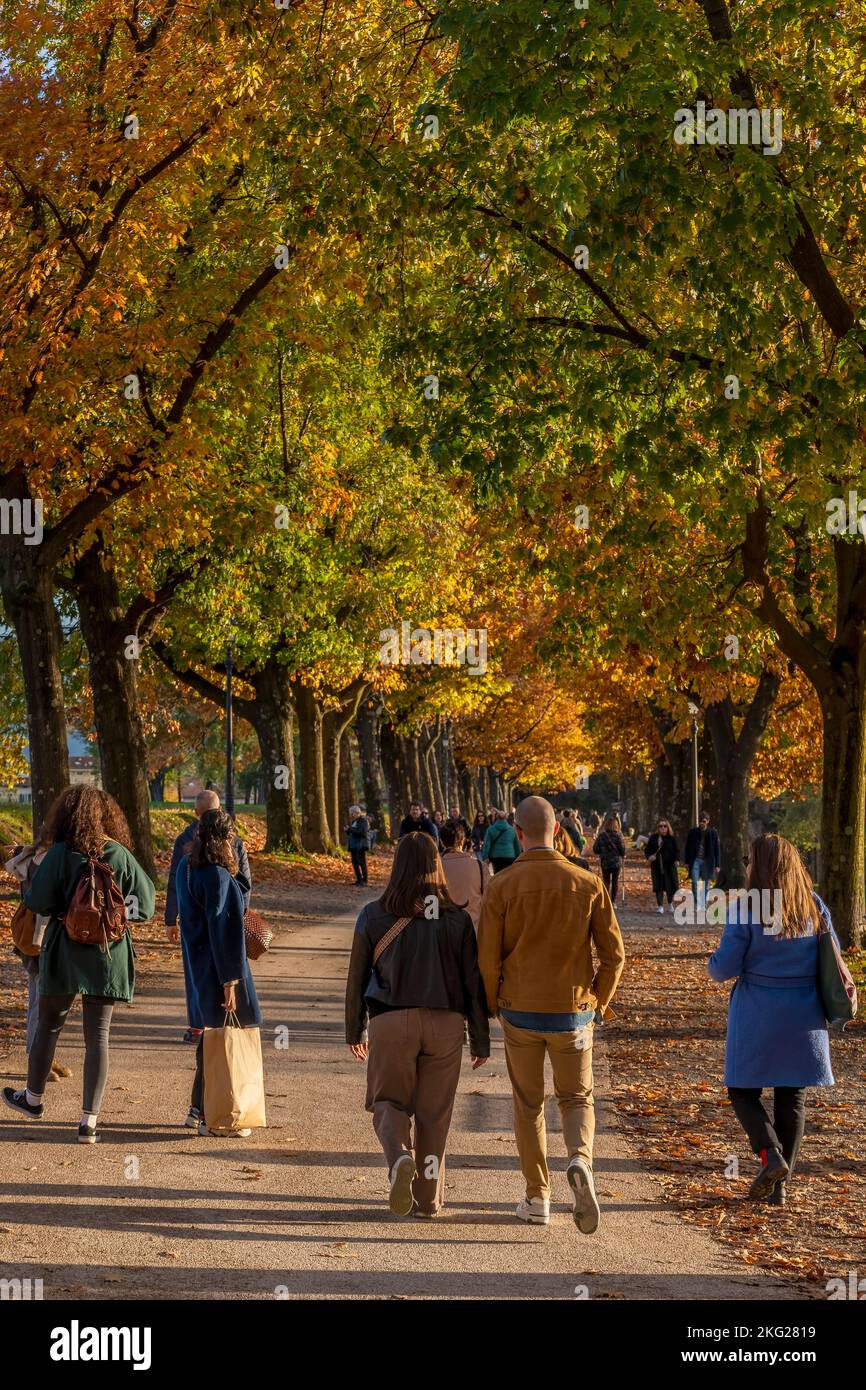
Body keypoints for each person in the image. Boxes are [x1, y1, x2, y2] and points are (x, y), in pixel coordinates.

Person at [478, 797, 625, 1231]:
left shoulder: (501, 886)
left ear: (517, 834)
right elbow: (614, 956)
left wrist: (494, 1002)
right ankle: (580, 1159)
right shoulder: (588, 883)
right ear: (558, 832)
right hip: (573, 1010)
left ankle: (537, 1195)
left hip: (520, 1010)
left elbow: (488, 960)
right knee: (577, 1097)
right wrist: (597, 1000)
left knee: (527, 1104)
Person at [345, 832, 490, 1218]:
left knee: (388, 1102)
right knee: (434, 1117)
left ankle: (398, 1158)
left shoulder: (373, 915)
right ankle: (428, 1200)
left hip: (390, 1022)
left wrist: (354, 1029)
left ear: (397, 866)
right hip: (445, 1024)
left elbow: (356, 978)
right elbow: (471, 981)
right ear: (436, 866)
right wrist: (480, 1038)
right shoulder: (456, 919)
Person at [2, 787, 155, 1143]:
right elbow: (144, 905)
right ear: (107, 815)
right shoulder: (119, 854)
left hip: (63, 952)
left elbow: (38, 901)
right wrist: (114, 915)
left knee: (49, 1025)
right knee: (97, 1037)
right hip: (109, 953)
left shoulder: (59, 853)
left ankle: (33, 1100)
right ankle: (89, 1122)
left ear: (65, 815)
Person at [708, 834, 836, 1206]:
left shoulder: (747, 908)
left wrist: (710, 964)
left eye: (750, 859)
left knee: (742, 1090)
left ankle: (770, 1156)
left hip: (758, 1013)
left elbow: (725, 967)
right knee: (792, 1097)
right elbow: (832, 956)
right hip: (804, 1015)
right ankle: (779, 1186)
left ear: (759, 867)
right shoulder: (813, 906)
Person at [176, 809, 263, 1137]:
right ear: (227, 839)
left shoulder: (188, 867)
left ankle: (199, 1109)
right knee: (227, 1039)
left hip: (198, 962)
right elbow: (226, 929)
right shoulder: (216, 876)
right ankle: (219, 1112)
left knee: (212, 1039)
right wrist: (231, 981)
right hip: (220, 967)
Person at [165, 789, 251, 1043]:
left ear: (196, 812)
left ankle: (198, 1024)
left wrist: (172, 917)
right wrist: (240, 913)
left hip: (194, 922)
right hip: (223, 917)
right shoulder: (233, 842)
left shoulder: (185, 841)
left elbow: (175, 882)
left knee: (195, 971)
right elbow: (246, 884)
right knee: (230, 971)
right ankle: (224, 1025)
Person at [3, 840, 71, 1082]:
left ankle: (45, 1057)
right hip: (40, 938)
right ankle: (37, 1059)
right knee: (40, 1003)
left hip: (38, 937)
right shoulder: (46, 861)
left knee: (46, 1003)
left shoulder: (31, 857)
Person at [439, 821, 485, 929]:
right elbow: (490, 901)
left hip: (444, 932)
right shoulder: (479, 866)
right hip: (474, 930)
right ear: (462, 841)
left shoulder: (434, 868)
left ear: (441, 842)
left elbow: (429, 906)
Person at [683, 811, 720, 913]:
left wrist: (717, 865)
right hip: (695, 860)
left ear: (707, 821)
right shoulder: (693, 832)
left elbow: (717, 849)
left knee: (706, 884)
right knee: (694, 882)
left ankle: (703, 904)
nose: (701, 823)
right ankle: (697, 903)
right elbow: (687, 847)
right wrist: (686, 861)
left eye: (703, 821)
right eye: (700, 821)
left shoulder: (713, 833)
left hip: (708, 861)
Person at [644, 818, 680, 914]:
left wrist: (676, 860)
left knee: (670, 887)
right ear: (658, 828)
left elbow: (676, 851)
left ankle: (670, 904)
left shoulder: (671, 838)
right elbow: (647, 850)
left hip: (669, 867)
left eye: (665, 826)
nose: (663, 828)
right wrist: (649, 856)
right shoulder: (653, 838)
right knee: (658, 886)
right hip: (657, 866)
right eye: (660, 826)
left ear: (668, 828)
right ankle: (660, 906)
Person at [593, 813, 626, 901]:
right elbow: (623, 850)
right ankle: (613, 901)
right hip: (616, 862)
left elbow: (595, 849)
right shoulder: (618, 836)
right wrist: (622, 854)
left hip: (605, 861)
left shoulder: (602, 836)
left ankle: (606, 900)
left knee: (606, 881)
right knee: (615, 881)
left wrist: (601, 851)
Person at [481, 808, 521, 874]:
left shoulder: (490, 829)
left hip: (496, 857)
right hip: (510, 856)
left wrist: (485, 857)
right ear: (506, 818)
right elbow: (516, 845)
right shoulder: (512, 830)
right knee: (509, 875)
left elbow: (486, 845)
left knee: (497, 876)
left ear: (497, 817)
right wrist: (519, 856)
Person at [345, 804, 371, 886]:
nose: (351, 815)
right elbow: (352, 832)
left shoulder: (364, 821)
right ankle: (359, 880)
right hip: (353, 846)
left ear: (357, 813)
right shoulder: (354, 821)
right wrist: (347, 830)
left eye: (352, 813)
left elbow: (362, 833)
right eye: (350, 813)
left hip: (360, 845)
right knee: (354, 863)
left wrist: (351, 829)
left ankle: (365, 881)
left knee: (362, 862)